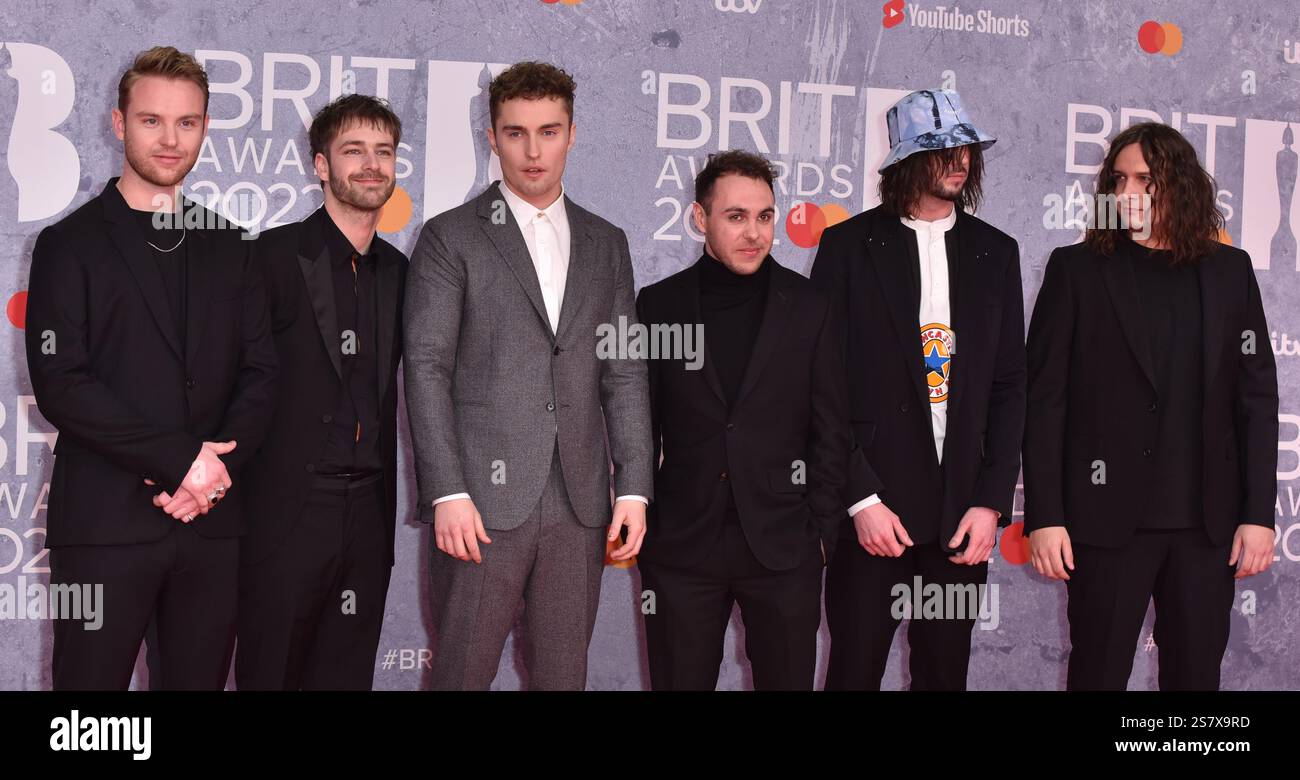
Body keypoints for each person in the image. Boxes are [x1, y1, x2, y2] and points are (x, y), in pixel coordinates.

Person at [24, 46, 276, 690]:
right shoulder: (68, 245)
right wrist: (182, 463)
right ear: (118, 124)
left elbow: (261, 376)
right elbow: (62, 384)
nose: (170, 140)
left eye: (186, 122)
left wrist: (210, 480)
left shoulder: (234, 246)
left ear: (205, 128)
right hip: (103, 528)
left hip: (211, 526)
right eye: (151, 121)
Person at [403, 61, 653, 690]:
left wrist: (633, 488)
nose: (533, 151)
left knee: (563, 679)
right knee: (461, 676)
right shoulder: (449, 237)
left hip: (580, 503)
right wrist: (447, 492)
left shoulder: (607, 242)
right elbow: (427, 369)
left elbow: (624, 370)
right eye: (516, 133)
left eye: (549, 131)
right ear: (492, 137)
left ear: (573, 133)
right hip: (478, 507)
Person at [1023, 121, 1278, 690]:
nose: (1127, 192)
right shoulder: (1077, 269)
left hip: (1207, 530)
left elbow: (1257, 401)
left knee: (1195, 683)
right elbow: (1044, 403)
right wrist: (1045, 516)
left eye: (1144, 179)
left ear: (1178, 184)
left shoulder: (1230, 272)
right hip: (1104, 525)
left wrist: (1259, 514)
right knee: (1097, 677)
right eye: (1118, 180)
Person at [810, 89, 1025, 690]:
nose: (959, 161)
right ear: (905, 159)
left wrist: (991, 503)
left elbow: (1011, 386)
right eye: (940, 150)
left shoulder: (997, 252)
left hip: (962, 517)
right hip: (871, 513)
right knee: (853, 673)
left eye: (966, 149)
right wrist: (859, 500)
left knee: (944, 675)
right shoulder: (848, 247)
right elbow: (820, 385)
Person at [236, 94, 407, 690]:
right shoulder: (271, 257)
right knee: (270, 674)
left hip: (369, 516)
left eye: (383, 152)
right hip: (287, 512)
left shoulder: (402, 273)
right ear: (320, 164)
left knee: (346, 677)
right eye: (353, 151)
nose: (371, 165)